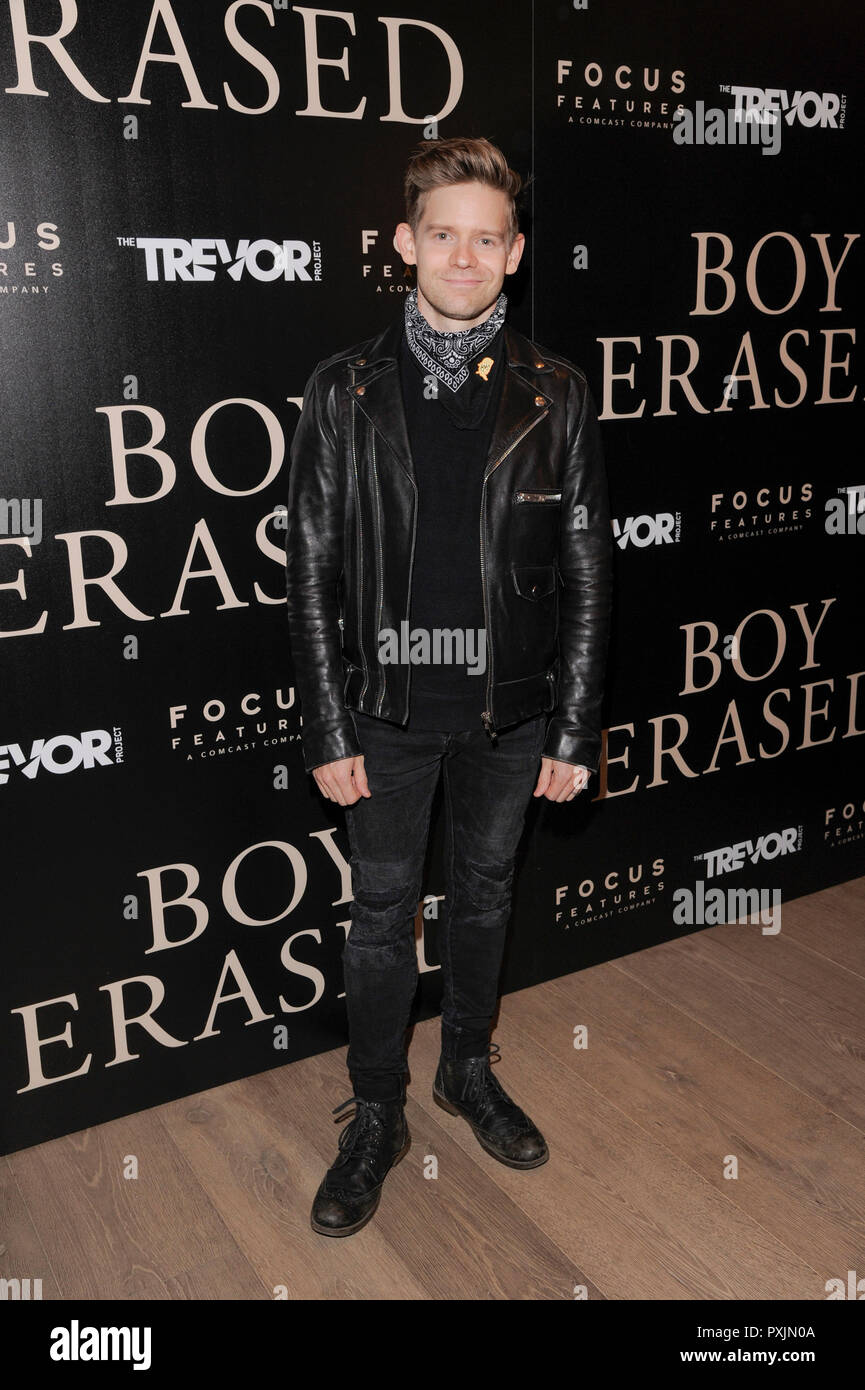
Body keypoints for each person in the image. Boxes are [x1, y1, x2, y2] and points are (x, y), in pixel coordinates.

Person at [285, 136, 613, 1237]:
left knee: (483, 899)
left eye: (486, 237)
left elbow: (584, 569)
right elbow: (312, 568)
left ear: (513, 252)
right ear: (403, 243)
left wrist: (572, 724)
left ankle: (464, 1070)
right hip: (383, 713)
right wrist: (327, 719)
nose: (462, 256)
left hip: (508, 711)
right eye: (442, 234)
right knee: (379, 916)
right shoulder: (342, 387)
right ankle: (376, 1111)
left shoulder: (558, 392)